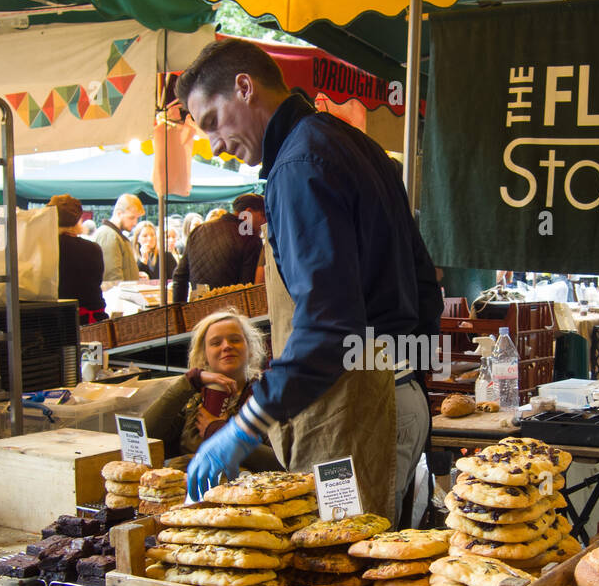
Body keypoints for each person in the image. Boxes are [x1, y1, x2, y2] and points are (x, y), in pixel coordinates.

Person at [178, 38, 441, 522]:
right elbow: (426, 287)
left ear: (244, 87)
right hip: (397, 396)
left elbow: (327, 323)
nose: (214, 144)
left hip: (352, 409)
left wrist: (247, 423)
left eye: (212, 122)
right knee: (380, 573)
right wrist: (410, 380)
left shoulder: (298, 165)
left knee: (340, 578)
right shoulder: (353, 144)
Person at [156, 311, 277, 469]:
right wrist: (188, 382)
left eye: (235, 340)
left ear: (250, 348)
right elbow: (145, 436)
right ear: (204, 354)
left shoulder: (268, 395)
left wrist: (222, 433)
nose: (226, 346)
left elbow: (282, 462)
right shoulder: (193, 399)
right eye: (215, 343)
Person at [169, 210, 261, 303]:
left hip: (199, 305)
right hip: (231, 305)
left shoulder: (197, 234)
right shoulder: (247, 238)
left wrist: (179, 310)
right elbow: (247, 284)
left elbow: (179, 276)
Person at [49, 194, 105, 323]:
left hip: (59, 322)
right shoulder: (93, 248)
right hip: (91, 321)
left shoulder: (47, 248)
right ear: (78, 220)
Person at [94, 194, 142, 284]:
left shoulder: (113, 235)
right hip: (117, 295)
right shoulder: (108, 235)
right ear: (119, 213)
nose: (135, 223)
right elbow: (112, 279)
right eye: (131, 217)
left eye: (137, 218)